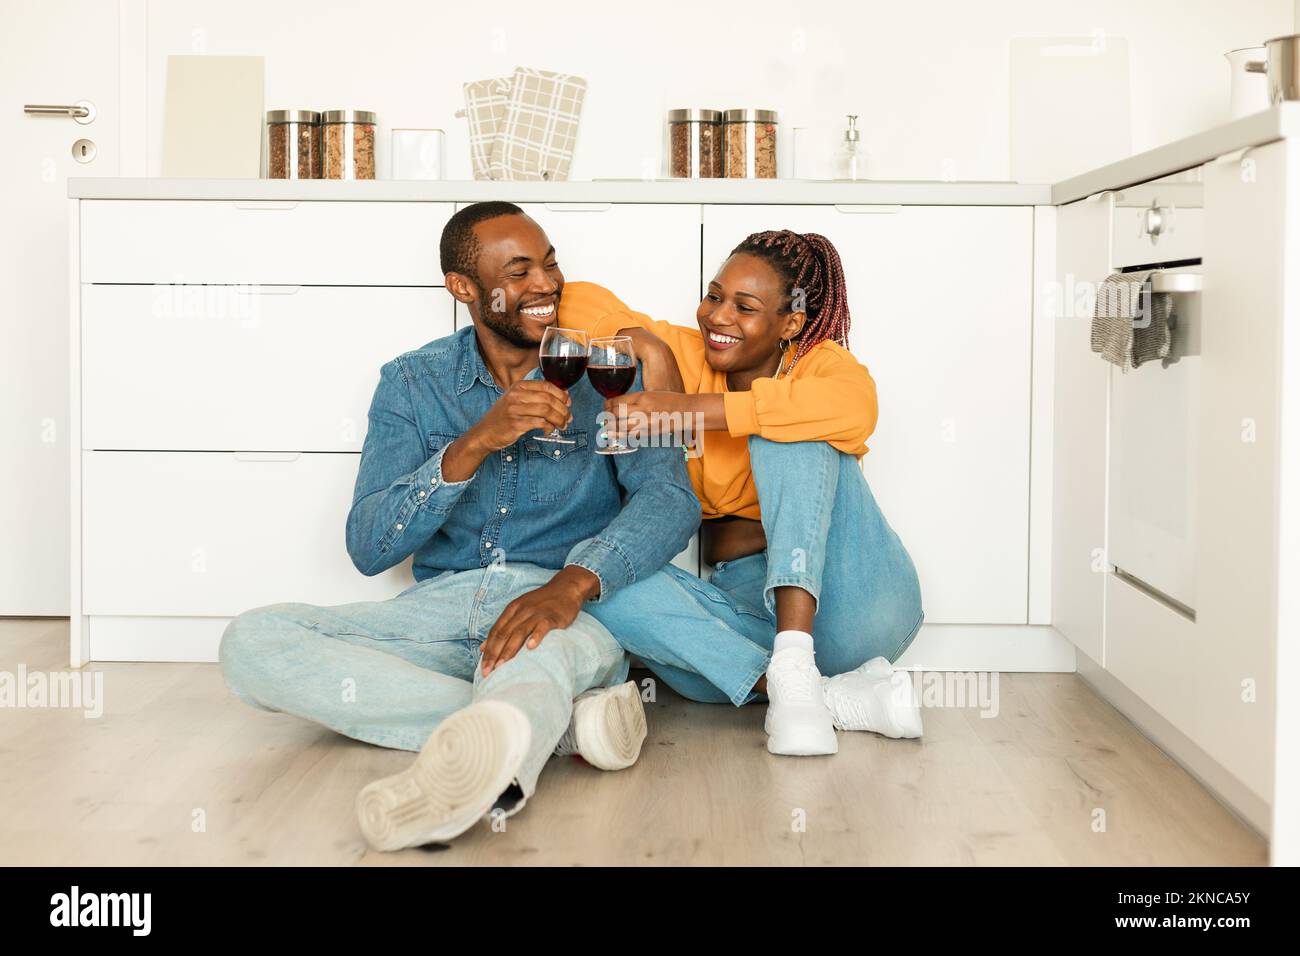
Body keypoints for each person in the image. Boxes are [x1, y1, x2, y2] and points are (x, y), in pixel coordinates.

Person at [218, 202, 700, 850]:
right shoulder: (411, 382)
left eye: (550, 264)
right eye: (519, 271)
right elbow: (368, 546)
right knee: (252, 642)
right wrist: (474, 443)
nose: (546, 284)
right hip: (437, 613)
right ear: (463, 287)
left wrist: (572, 585)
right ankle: (555, 727)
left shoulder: (611, 370)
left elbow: (670, 499)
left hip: (561, 608)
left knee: (534, 660)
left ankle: (463, 781)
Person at [559, 229, 925, 755]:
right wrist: (646, 342)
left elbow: (856, 408)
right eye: (714, 296)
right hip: (750, 615)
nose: (718, 317)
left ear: (790, 323)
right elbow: (570, 300)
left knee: (789, 423)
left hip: (856, 600)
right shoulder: (685, 355)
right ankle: (816, 694)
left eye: (745, 307)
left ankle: (794, 663)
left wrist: (691, 410)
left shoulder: (815, 363)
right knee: (593, 578)